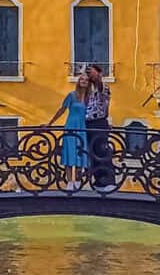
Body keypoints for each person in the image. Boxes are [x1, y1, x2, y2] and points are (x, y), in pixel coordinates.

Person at [48, 73, 90, 191]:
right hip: (71, 126)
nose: (83, 81)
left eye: (86, 80)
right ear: (78, 81)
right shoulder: (71, 96)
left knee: (80, 153)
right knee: (69, 152)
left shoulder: (89, 98)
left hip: (82, 128)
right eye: (81, 79)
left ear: (88, 83)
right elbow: (62, 110)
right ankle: (70, 181)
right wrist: (50, 123)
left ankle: (77, 180)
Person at [86, 64, 116, 193]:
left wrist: (95, 77)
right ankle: (98, 180)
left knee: (102, 151)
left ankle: (108, 181)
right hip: (87, 123)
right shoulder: (87, 90)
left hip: (99, 123)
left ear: (100, 74)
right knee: (92, 152)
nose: (90, 75)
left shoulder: (103, 88)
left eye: (92, 73)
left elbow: (99, 85)